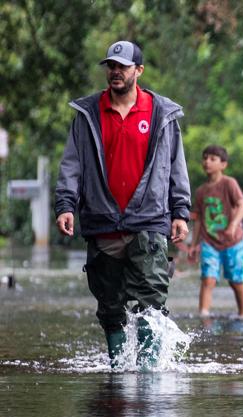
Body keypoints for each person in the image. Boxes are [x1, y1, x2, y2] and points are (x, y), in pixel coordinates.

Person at [55, 40, 191, 368]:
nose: (115, 72)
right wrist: (66, 205)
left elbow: (176, 165)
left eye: (123, 67)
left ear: (138, 71)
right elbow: (72, 163)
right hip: (102, 220)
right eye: (111, 67)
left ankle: (148, 372)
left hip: (149, 219)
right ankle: (118, 369)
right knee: (109, 306)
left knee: (152, 301)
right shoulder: (88, 114)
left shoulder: (161, 113)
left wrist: (180, 212)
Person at [187, 145, 243, 318]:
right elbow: (199, 219)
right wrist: (193, 245)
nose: (207, 162)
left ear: (223, 164)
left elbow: (242, 205)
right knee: (208, 279)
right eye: (205, 158)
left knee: (236, 282)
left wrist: (233, 225)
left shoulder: (229, 183)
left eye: (212, 159)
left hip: (234, 241)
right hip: (209, 242)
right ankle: (204, 316)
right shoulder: (200, 191)